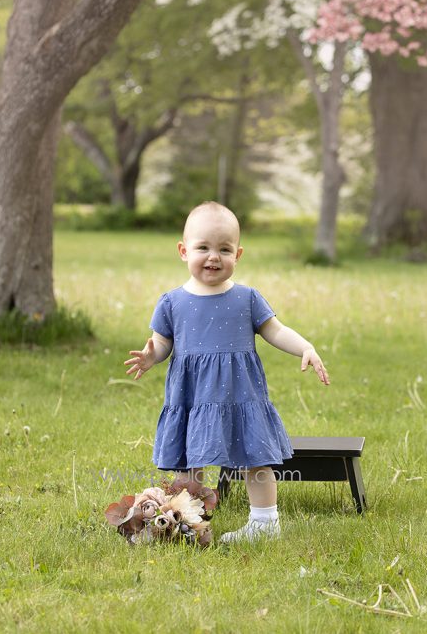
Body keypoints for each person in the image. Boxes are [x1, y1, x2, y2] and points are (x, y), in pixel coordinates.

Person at [123, 201, 330, 544]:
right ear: (183, 250)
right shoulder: (172, 302)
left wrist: (305, 346)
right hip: (194, 397)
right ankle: (188, 520)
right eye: (203, 248)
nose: (213, 257)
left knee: (255, 457)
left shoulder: (247, 298)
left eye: (224, 249)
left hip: (241, 395)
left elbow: (275, 330)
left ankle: (265, 523)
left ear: (239, 254)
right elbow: (161, 343)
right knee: (191, 460)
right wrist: (151, 357)